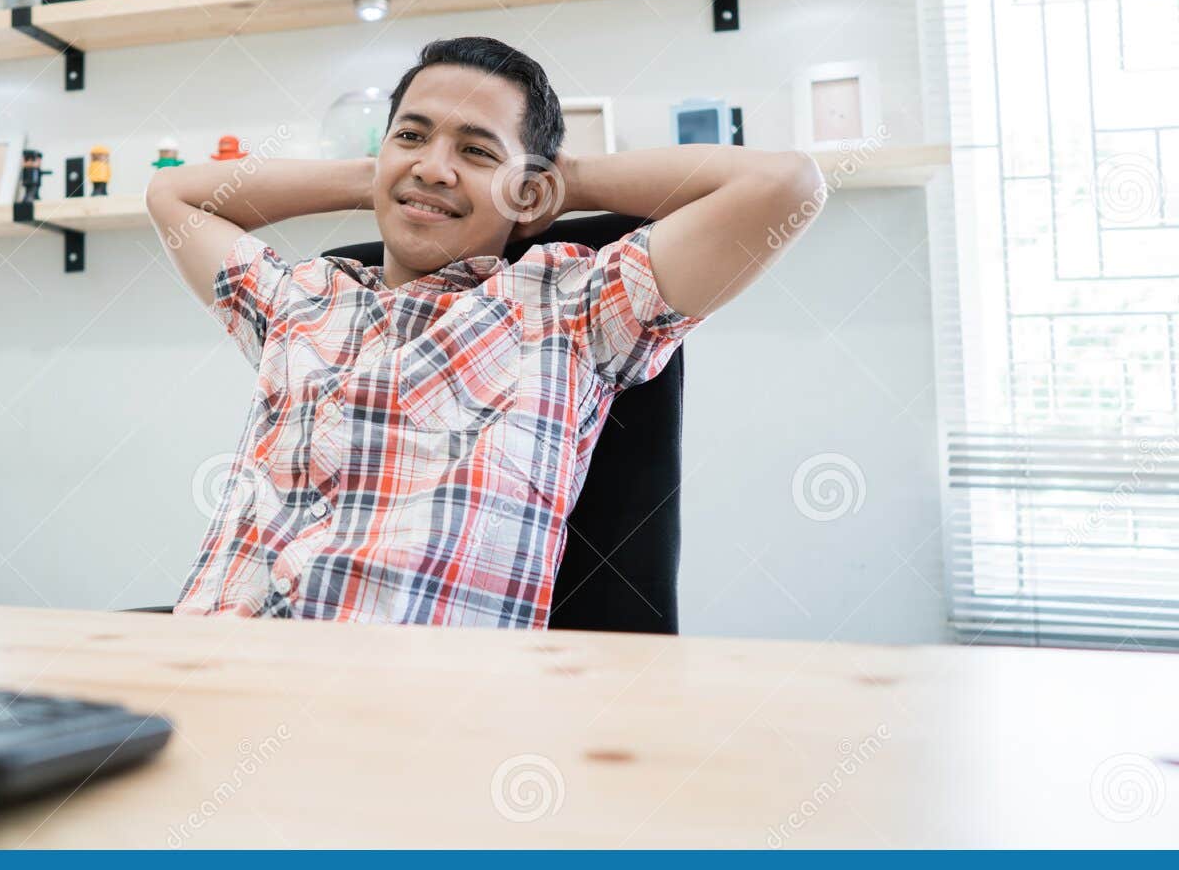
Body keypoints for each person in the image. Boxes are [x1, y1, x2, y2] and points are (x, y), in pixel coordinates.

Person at [145, 36, 824, 627]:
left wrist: (565, 183)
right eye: (411, 134)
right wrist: (382, 175)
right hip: (209, 663)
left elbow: (786, 184)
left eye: (474, 150)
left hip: (408, 715)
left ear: (528, 190)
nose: (435, 166)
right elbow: (171, 195)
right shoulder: (303, 298)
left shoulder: (574, 309)